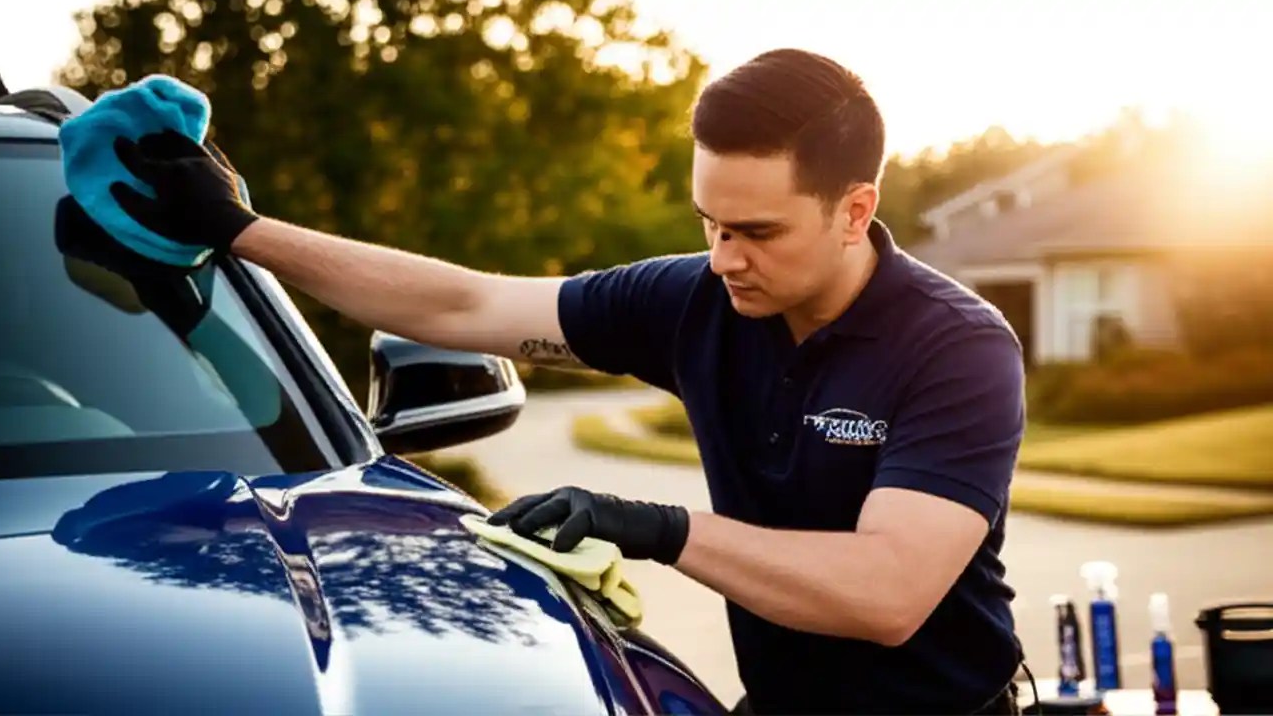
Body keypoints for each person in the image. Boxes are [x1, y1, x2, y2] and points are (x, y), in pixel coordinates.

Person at [108, 48, 1027, 715]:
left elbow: (886, 595)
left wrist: (656, 528)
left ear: (854, 211)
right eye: (708, 222)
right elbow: (469, 306)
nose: (723, 257)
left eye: (756, 231)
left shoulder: (956, 347)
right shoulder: (695, 299)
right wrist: (239, 229)